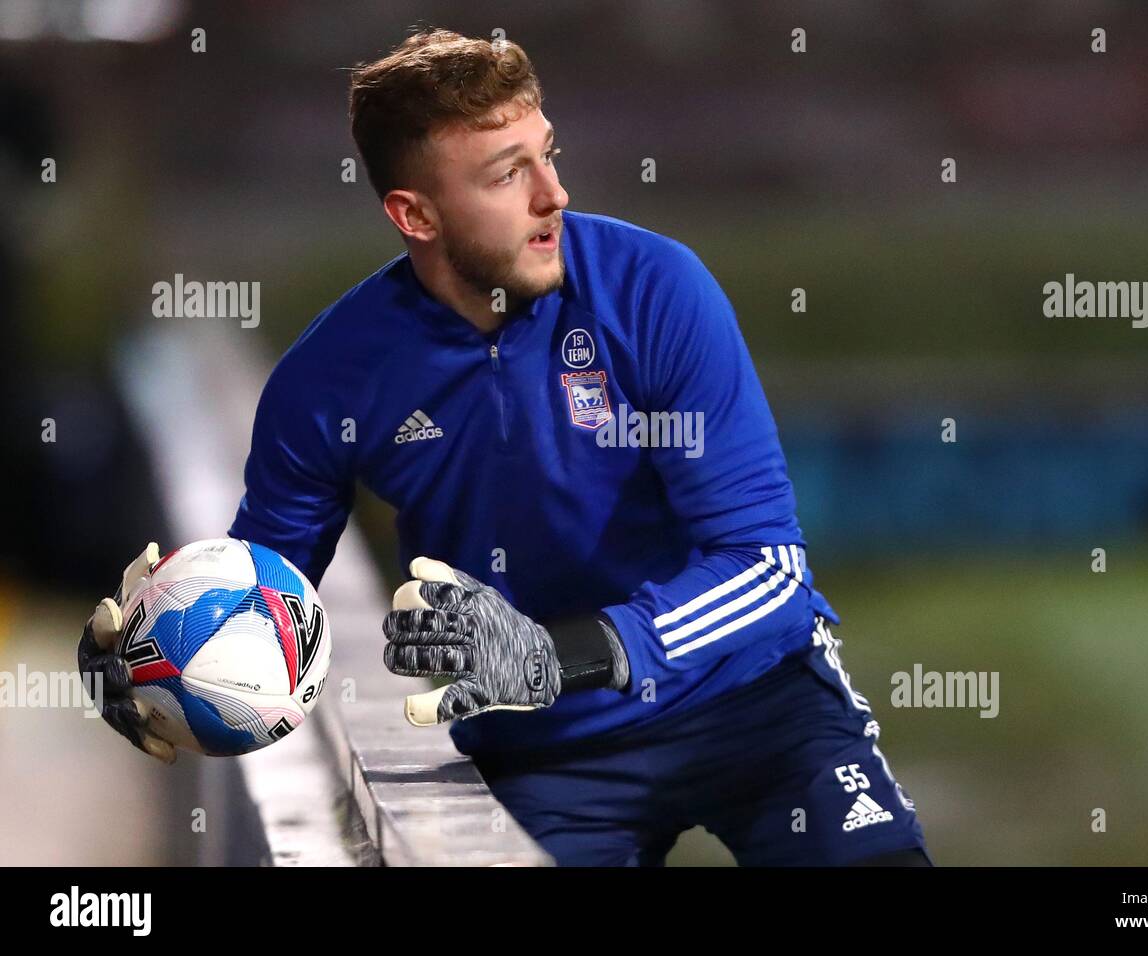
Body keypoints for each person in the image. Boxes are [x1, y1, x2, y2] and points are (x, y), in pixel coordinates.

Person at [79, 28, 930, 867]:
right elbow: (266, 603)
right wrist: (148, 662)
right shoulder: (330, 380)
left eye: (547, 154)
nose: (553, 194)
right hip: (549, 759)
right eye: (507, 174)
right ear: (414, 214)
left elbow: (767, 570)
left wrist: (561, 655)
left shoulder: (656, 289)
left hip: (755, 707)